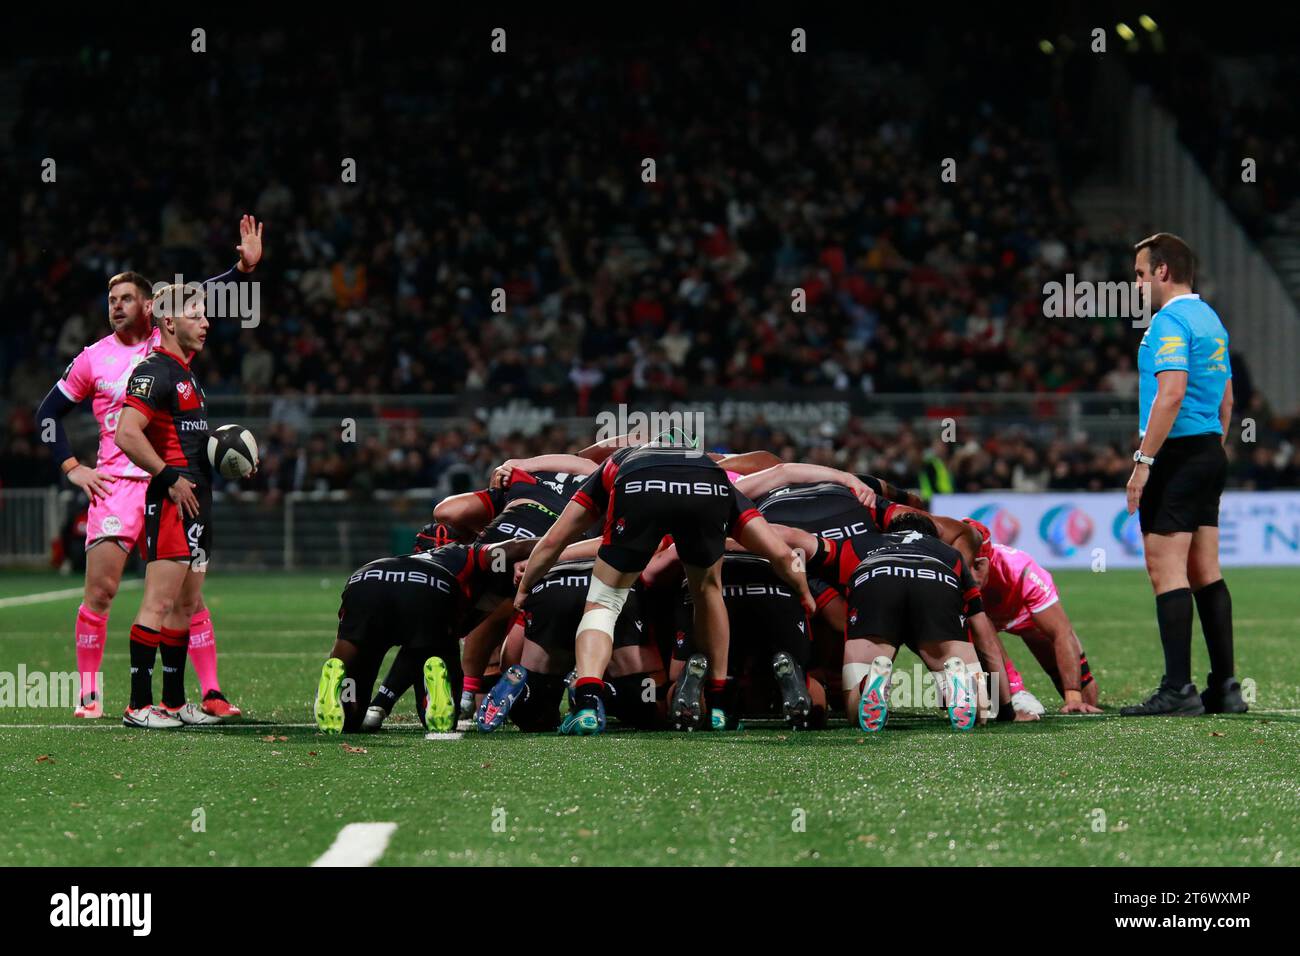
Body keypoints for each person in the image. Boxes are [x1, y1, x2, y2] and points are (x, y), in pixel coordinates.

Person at [33, 216, 262, 718]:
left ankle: (208, 693)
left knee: (187, 597)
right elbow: (47, 414)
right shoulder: (94, 359)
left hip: (172, 481)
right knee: (104, 590)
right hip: (118, 485)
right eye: (111, 300)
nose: (117, 307)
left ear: (151, 307)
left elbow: (197, 298)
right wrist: (72, 466)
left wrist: (241, 270)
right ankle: (92, 691)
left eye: (126, 299)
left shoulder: (168, 347)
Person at [514, 436, 814, 734]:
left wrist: (526, 585)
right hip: (706, 492)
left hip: (638, 486)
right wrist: (804, 594)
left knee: (604, 602)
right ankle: (719, 704)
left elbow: (554, 539)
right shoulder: (714, 471)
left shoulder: (618, 461)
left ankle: (588, 702)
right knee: (708, 591)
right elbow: (784, 555)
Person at [1124, 233, 1243, 716]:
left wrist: (1144, 463)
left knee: (1165, 568)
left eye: (1139, 273)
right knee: (1204, 570)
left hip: (1175, 454)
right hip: (1208, 450)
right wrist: (1208, 452)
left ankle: (1178, 689)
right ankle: (1226, 688)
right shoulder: (1210, 319)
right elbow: (1227, 399)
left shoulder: (1169, 321)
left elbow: (1170, 394)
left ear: (1163, 272)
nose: (1135, 283)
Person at [113, 283, 226, 727]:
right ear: (168, 322)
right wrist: (168, 478)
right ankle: (138, 706)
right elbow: (127, 433)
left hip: (200, 499)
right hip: (173, 499)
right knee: (158, 604)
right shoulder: (154, 370)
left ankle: (175, 703)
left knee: (185, 605)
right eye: (196, 315)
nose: (206, 322)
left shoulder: (186, 370)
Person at [315, 535, 537, 734]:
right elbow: (510, 548)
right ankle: (432, 698)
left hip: (366, 578)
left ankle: (341, 689)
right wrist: (553, 542)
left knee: (351, 704)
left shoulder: (410, 557)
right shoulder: (463, 552)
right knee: (441, 716)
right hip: (429, 587)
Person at [962, 518, 1101, 714]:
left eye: (977, 566)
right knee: (979, 626)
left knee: (1087, 697)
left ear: (990, 559)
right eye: (965, 566)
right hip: (983, 621)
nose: (972, 576)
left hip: (1026, 617)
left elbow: (1061, 632)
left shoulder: (1022, 570)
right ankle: (1014, 691)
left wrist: (1073, 696)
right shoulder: (947, 570)